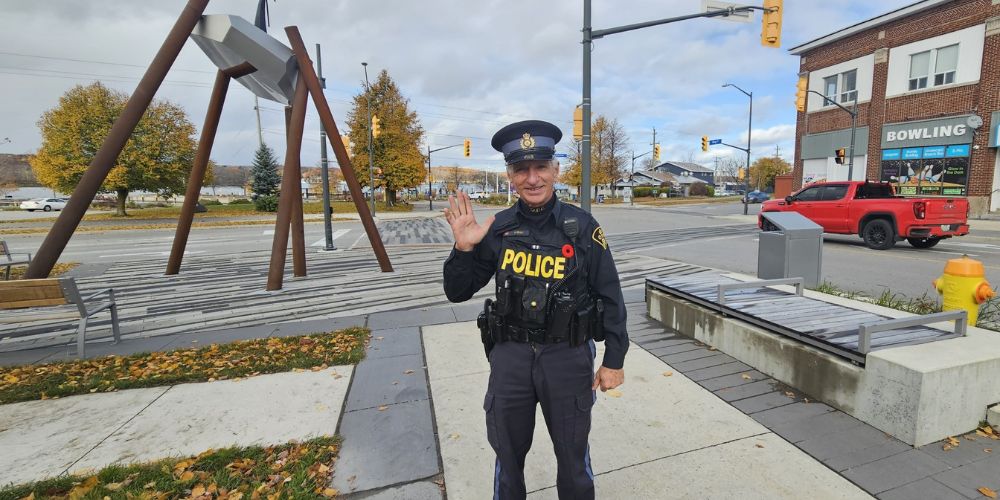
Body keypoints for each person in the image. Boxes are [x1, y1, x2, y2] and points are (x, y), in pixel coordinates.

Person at [442, 119, 628, 499]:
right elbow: (457, 292)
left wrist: (615, 359)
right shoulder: (498, 228)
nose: (532, 178)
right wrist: (464, 248)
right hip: (510, 357)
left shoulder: (583, 226)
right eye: (521, 169)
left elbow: (611, 295)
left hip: (567, 357)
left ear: (556, 170)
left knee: (573, 460)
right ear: (509, 175)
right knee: (507, 459)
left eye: (541, 167)